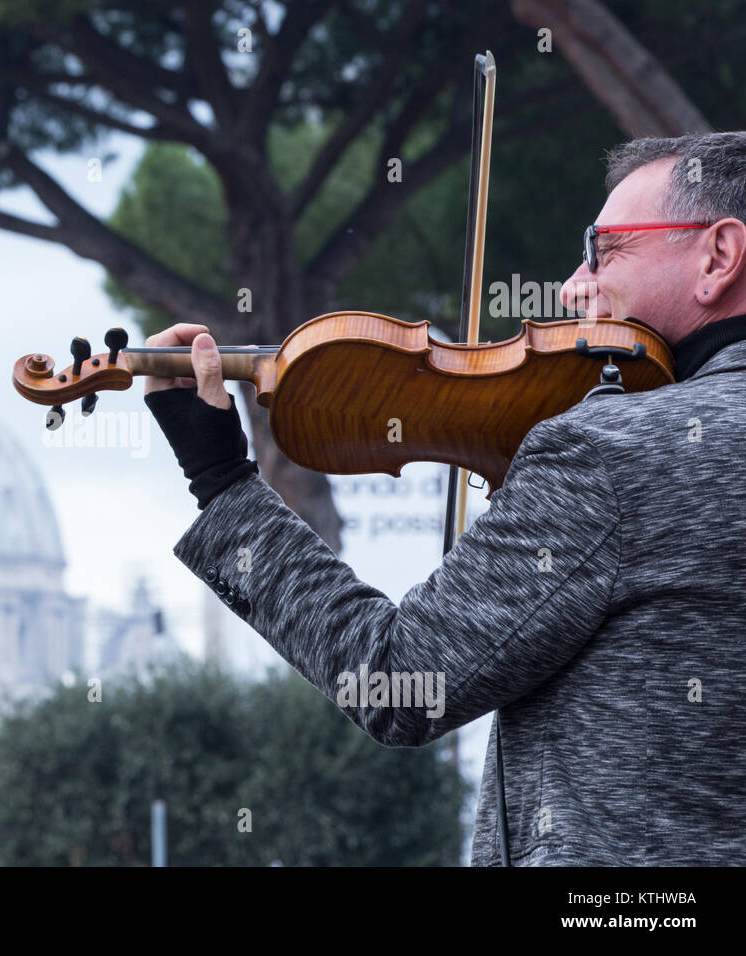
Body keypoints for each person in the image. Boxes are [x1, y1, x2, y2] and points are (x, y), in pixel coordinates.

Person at [144, 131, 746, 865]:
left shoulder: (609, 454)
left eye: (606, 249)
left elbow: (398, 681)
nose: (571, 285)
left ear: (719, 255)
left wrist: (223, 483)